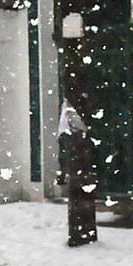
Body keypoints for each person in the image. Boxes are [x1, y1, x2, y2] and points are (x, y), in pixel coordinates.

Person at [58, 101, 98, 247]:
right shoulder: (72, 137)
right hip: (79, 177)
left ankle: (82, 233)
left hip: (80, 177)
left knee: (80, 201)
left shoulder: (76, 137)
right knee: (79, 201)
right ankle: (81, 234)